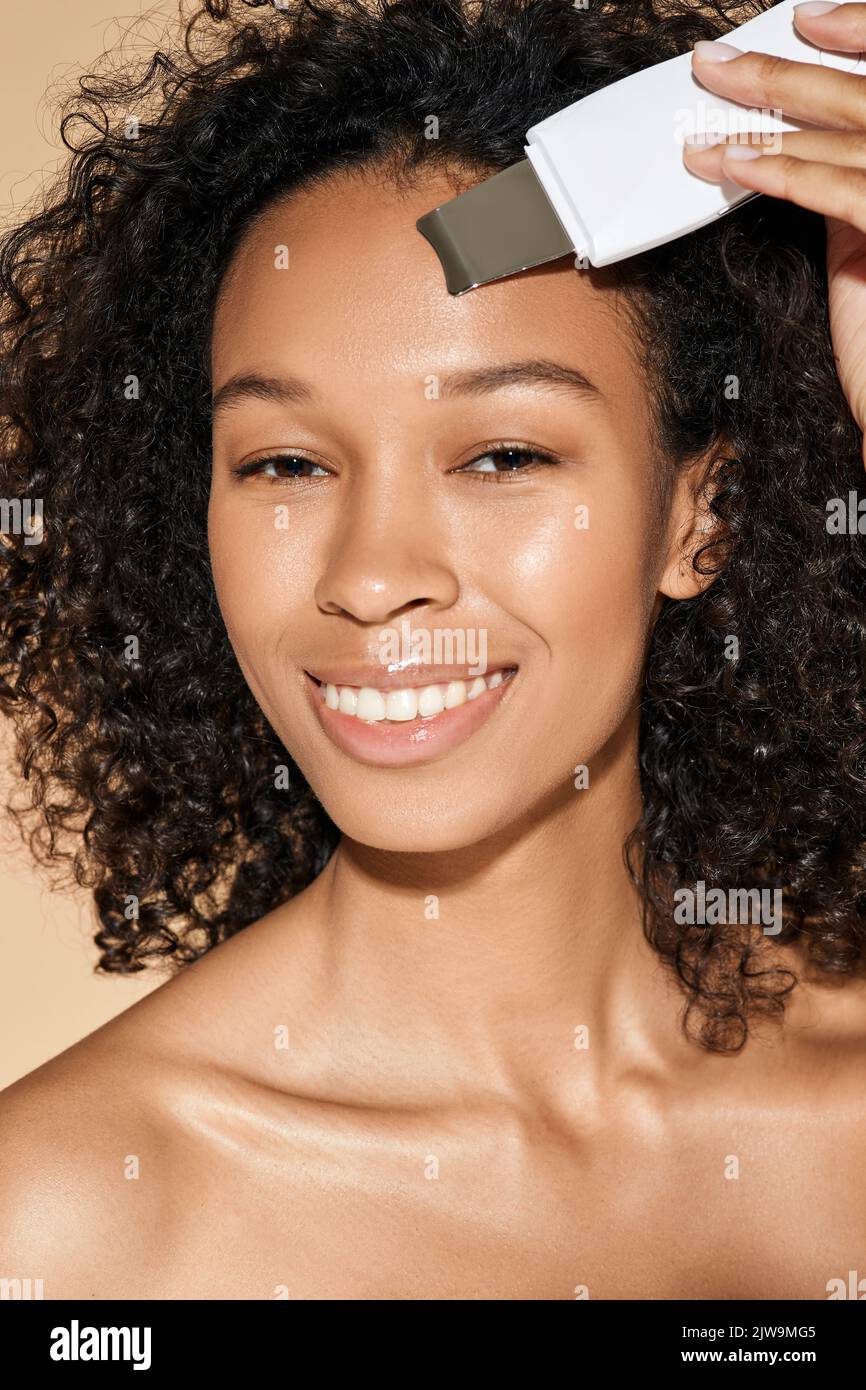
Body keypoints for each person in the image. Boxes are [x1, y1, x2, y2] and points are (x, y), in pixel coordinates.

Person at [1, 0, 865, 1300]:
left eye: (502, 454)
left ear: (704, 516)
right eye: (284, 463)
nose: (369, 576)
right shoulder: (66, 1226)